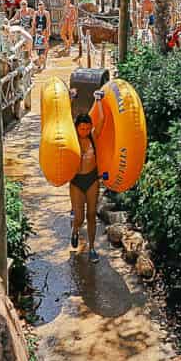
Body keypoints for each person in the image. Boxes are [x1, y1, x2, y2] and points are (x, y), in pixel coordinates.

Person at [70, 112, 101, 263]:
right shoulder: (72, 139)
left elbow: (101, 120)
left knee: (91, 214)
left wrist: (99, 100)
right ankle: (75, 230)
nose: (85, 131)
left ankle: (92, 248)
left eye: (87, 128)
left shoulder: (92, 138)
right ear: (76, 128)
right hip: (76, 181)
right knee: (79, 217)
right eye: (82, 128)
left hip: (92, 179)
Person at [32, 1, 52, 70]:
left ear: (44, 6)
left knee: (45, 48)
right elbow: (34, 23)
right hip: (38, 32)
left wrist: (48, 32)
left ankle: (44, 64)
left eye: (41, 5)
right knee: (39, 48)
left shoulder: (46, 13)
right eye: (39, 5)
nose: (40, 6)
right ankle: (39, 63)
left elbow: (48, 23)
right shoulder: (35, 13)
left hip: (44, 31)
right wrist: (33, 31)